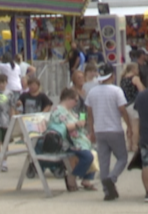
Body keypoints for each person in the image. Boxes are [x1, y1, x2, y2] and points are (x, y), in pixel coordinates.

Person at [85, 64, 134, 201]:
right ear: (112, 76)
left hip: (99, 130)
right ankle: (111, 179)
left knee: (104, 161)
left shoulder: (92, 92)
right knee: (122, 158)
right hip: (114, 129)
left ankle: (107, 192)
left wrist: (91, 131)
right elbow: (122, 110)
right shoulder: (116, 91)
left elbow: (89, 113)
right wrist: (129, 127)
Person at [47, 89, 97, 192]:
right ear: (68, 99)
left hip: (78, 140)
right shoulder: (58, 111)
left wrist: (82, 124)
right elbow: (59, 127)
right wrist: (76, 124)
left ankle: (87, 179)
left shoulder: (71, 111)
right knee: (88, 156)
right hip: (68, 142)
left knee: (94, 151)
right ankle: (72, 177)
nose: (76, 103)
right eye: (75, 100)